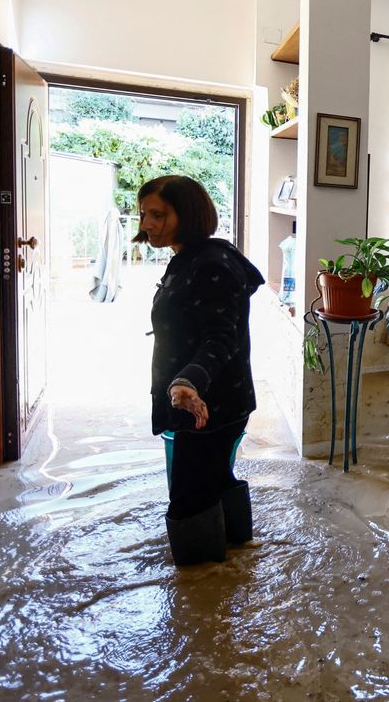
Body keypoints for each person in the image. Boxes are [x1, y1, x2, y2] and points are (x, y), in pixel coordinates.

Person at [135, 175, 265, 565]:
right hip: (206, 397)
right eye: (143, 214)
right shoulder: (190, 258)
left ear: (187, 214)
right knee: (215, 477)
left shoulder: (211, 265)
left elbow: (221, 338)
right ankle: (239, 558)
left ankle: (202, 593)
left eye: (158, 214)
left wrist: (189, 381)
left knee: (188, 499)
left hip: (211, 402)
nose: (146, 224)